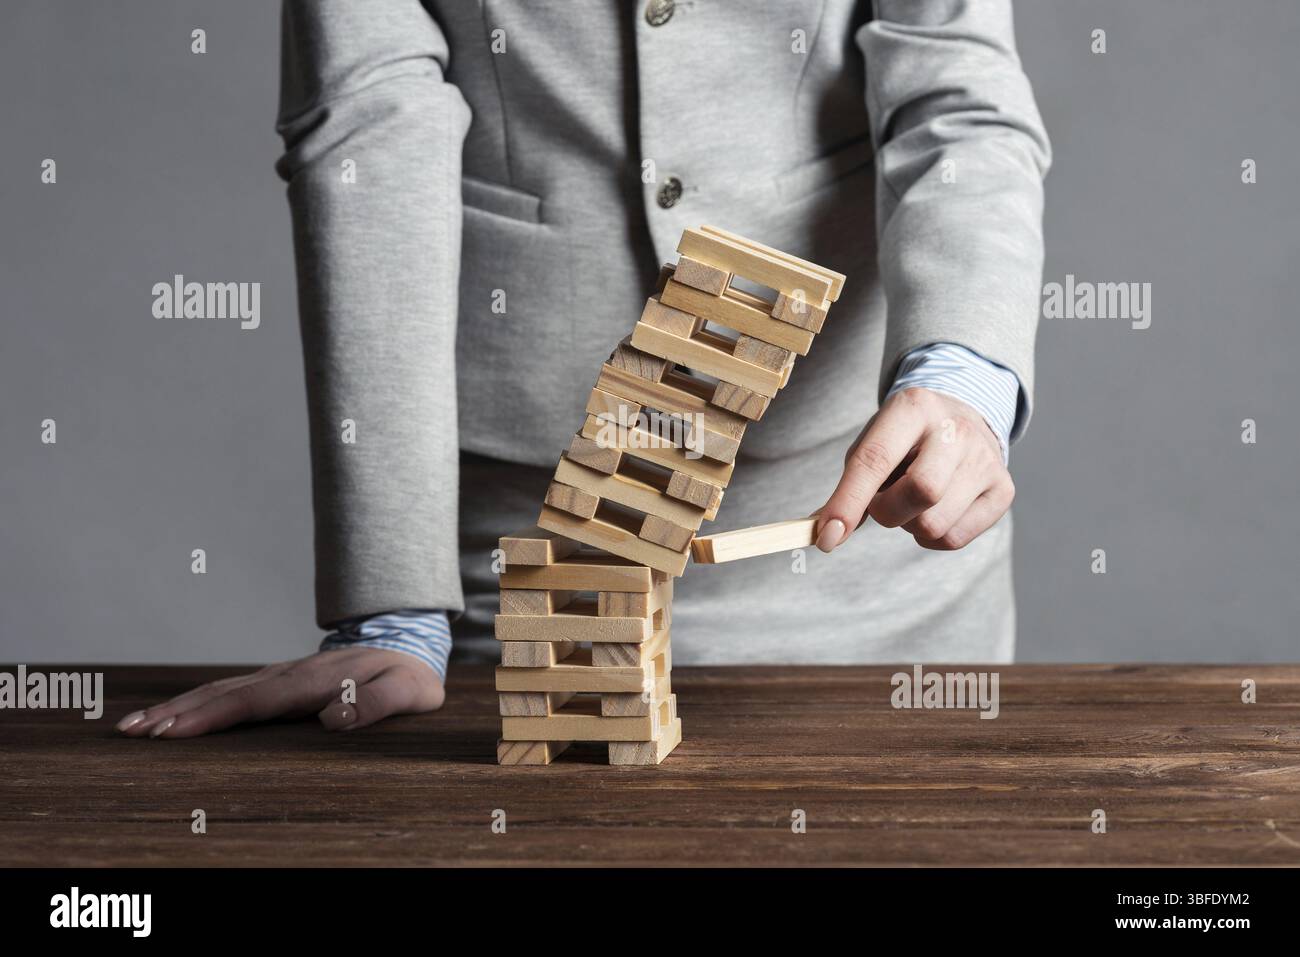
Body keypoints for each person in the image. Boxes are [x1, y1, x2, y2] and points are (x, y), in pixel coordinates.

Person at [116, 0, 1049, 739]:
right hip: (524, 545)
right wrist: (393, 604)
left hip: (859, 541)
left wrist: (963, 378)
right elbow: (368, 117)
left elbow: (955, 88)